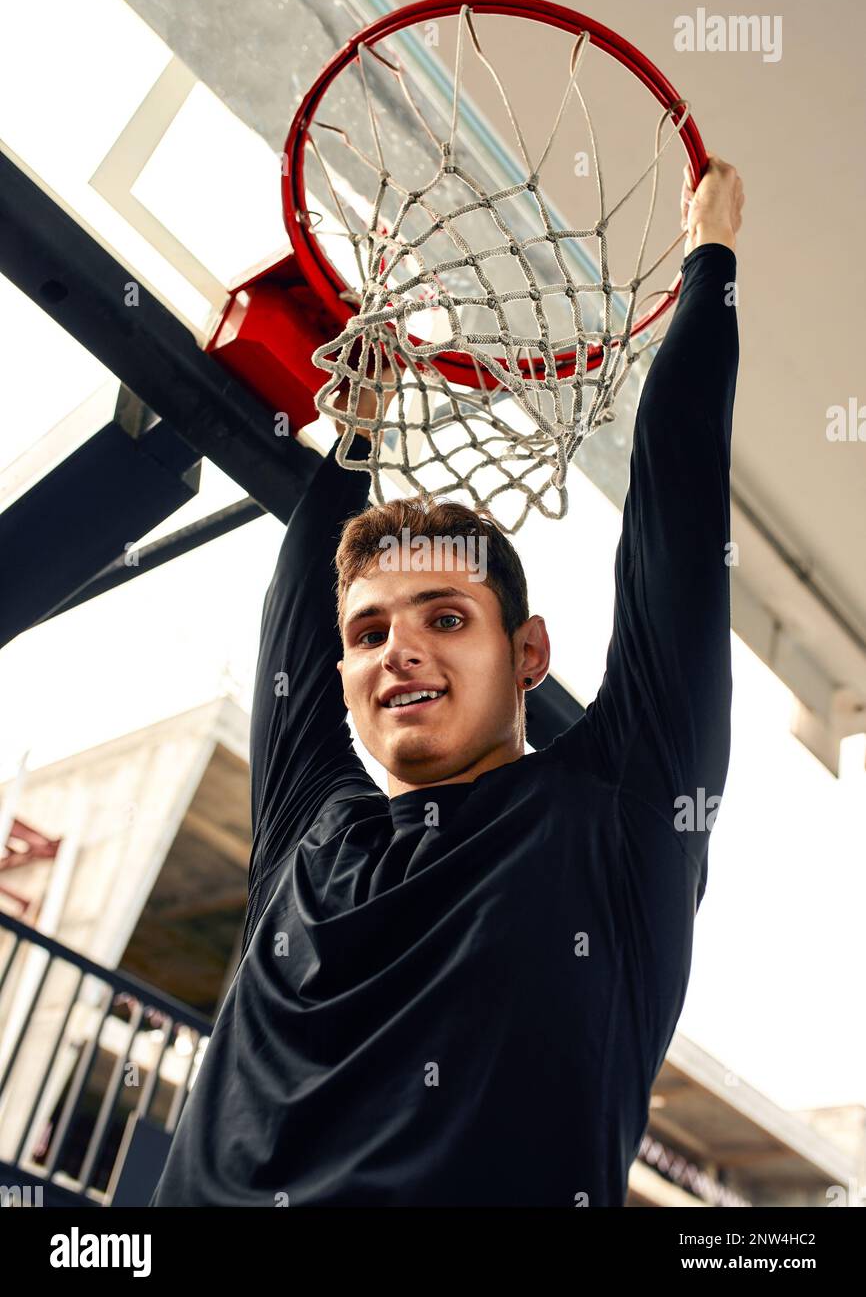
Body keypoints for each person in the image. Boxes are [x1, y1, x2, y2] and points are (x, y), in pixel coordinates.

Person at [149, 155, 744, 1207]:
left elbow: (679, 518)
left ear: (527, 655)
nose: (398, 650)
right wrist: (359, 434)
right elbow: (298, 615)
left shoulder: (613, 815)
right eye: (371, 631)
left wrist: (710, 260)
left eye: (445, 617)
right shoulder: (311, 832)